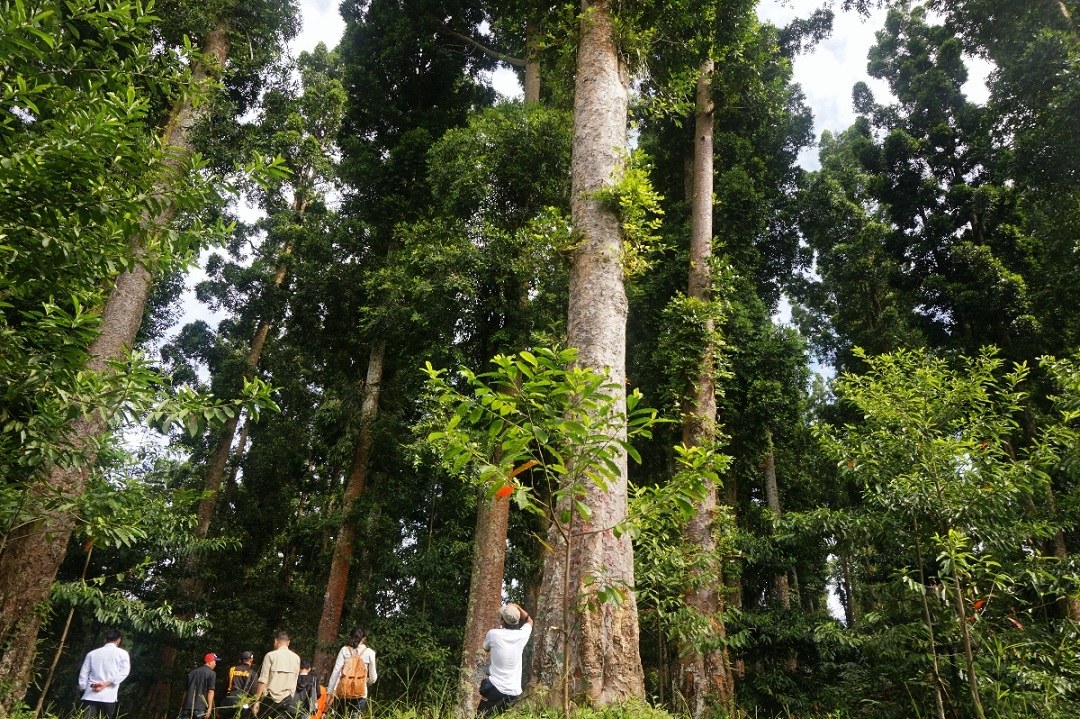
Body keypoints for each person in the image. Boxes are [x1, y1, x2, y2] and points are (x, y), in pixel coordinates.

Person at [477, 603, 532, 715]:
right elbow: (529, 620)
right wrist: (518, 607)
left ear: (502, 620)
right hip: (513, 693)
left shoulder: (493, 634)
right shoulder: (522, 635)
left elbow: (485, 648)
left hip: (495, 689)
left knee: (480, 716)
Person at [77, 629, 131, 719]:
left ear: (105, 639)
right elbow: (124, 672)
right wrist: (106, 684)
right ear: (119, 640)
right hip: (109, 696)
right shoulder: (123, 654)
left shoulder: (92, 654)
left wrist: (83, 688)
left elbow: (83, 673)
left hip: (90, 694)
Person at [326, 626, 377, 715]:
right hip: (360, 693)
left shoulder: (344, 650)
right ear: (364, 638)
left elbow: (336, 672)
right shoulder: (369, 653)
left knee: (339, 716)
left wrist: (330, 692)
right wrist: (365, 683)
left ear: (350, 637)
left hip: (342, 691)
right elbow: (373, 678)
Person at [252, 632, 301, 719]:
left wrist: (257, 700)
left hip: (269, 698)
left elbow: (263, 679)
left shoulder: (270, 656)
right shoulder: (296, 658)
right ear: (288, 642)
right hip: (287, 698)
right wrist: (291, 695)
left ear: (276, 641)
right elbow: (295, 679)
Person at [217, 651, 258, 719]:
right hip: (244, 703)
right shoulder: (253, 673)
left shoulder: (232, 670)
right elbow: (253, 692)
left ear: (240, 660)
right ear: (250, 661)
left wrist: (219, 704)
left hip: (229, 701)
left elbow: (223, 688)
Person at [179, 653, 219, 719]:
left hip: (187, 706)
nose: (215, 664)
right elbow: (210, 691)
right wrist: (209, 708)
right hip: (200, 708)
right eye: (215, 662)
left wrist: (181, 707)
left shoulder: (192, 672)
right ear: (209, 662)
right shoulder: (211, 673)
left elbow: (186, 691)